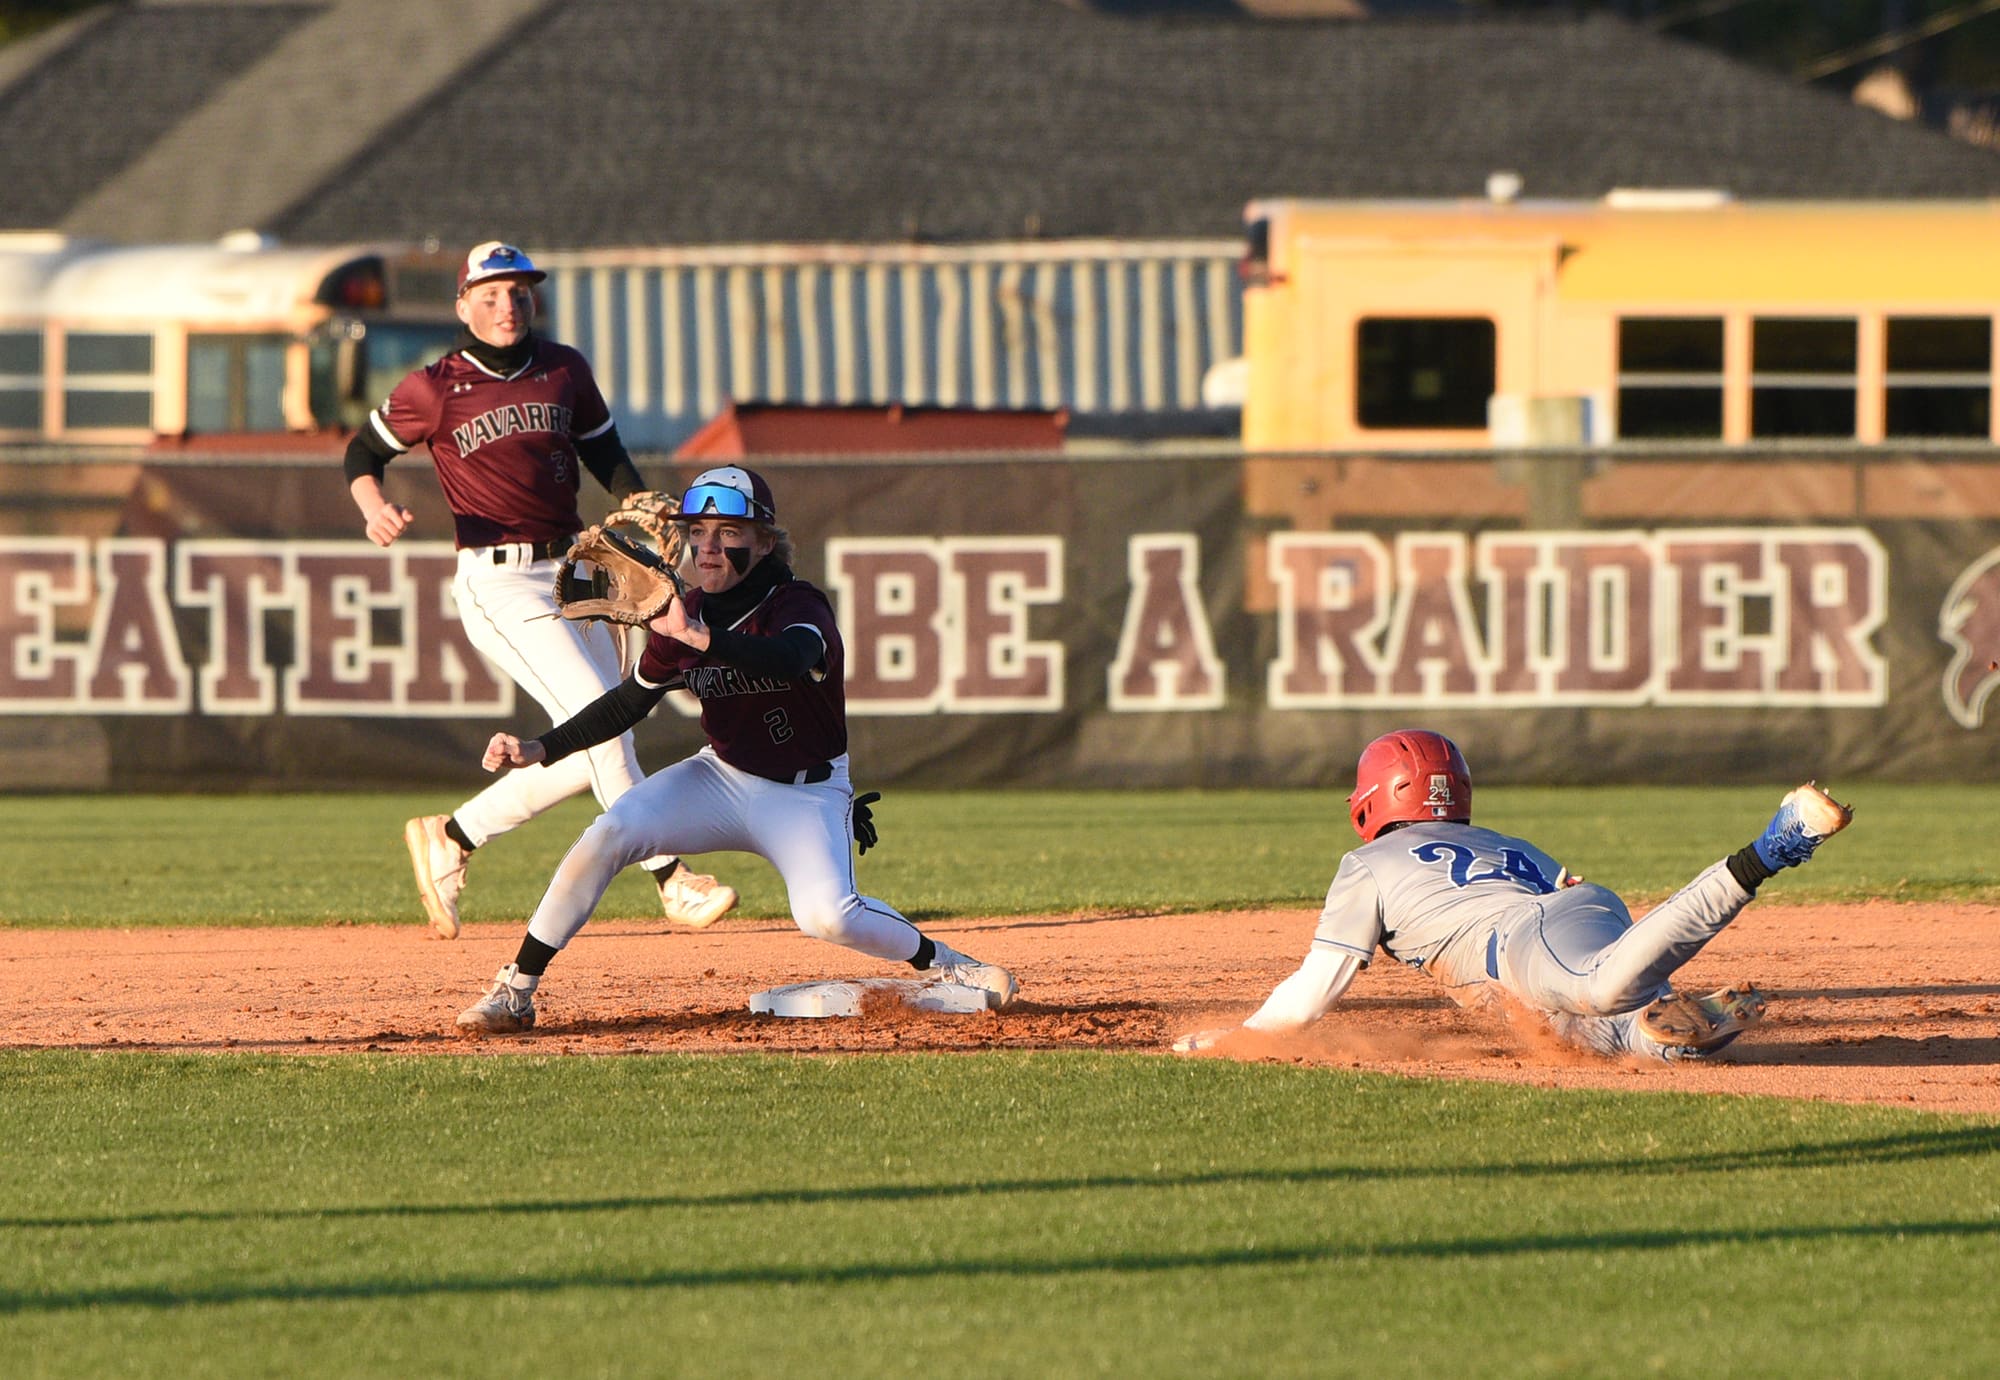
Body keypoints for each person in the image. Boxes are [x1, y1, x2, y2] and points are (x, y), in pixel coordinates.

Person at [454, 464, 1018, 1035]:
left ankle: (949, 964)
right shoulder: (686, 614)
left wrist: (697, 637)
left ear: (765, 542)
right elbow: (628, 703)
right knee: (611, 831)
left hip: (804, 794)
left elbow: (791, 658)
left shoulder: (795, 604)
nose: (708, 546)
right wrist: (539, 747)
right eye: (698, 532)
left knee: (829, 917)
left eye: (728, 532)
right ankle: (515, 990)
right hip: (720, 777)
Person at [343, 240, 737, 939]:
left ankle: (453, 836)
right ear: (463, 305)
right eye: (491, 293)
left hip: (574, 570)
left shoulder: (563, 369)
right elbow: (363, 450)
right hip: (498, 579)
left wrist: (637, 497)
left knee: (598, 741)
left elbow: (605, 452)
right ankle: (672, 878)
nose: (508, 305)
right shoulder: (436, 387)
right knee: (601, 721)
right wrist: (373, 505)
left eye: (519, 292)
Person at [1175, 729, 1852, 1061]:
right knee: (1595, 1033)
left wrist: (1243, 1039)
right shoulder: (1506, 842)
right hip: (1566, 924)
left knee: (1599, 988)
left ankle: (1774, 846)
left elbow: (1317, 986)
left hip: (1523, 938)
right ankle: (1668, 1033)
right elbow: (1570, 897)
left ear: (1377, 797)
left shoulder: (1367, 862)